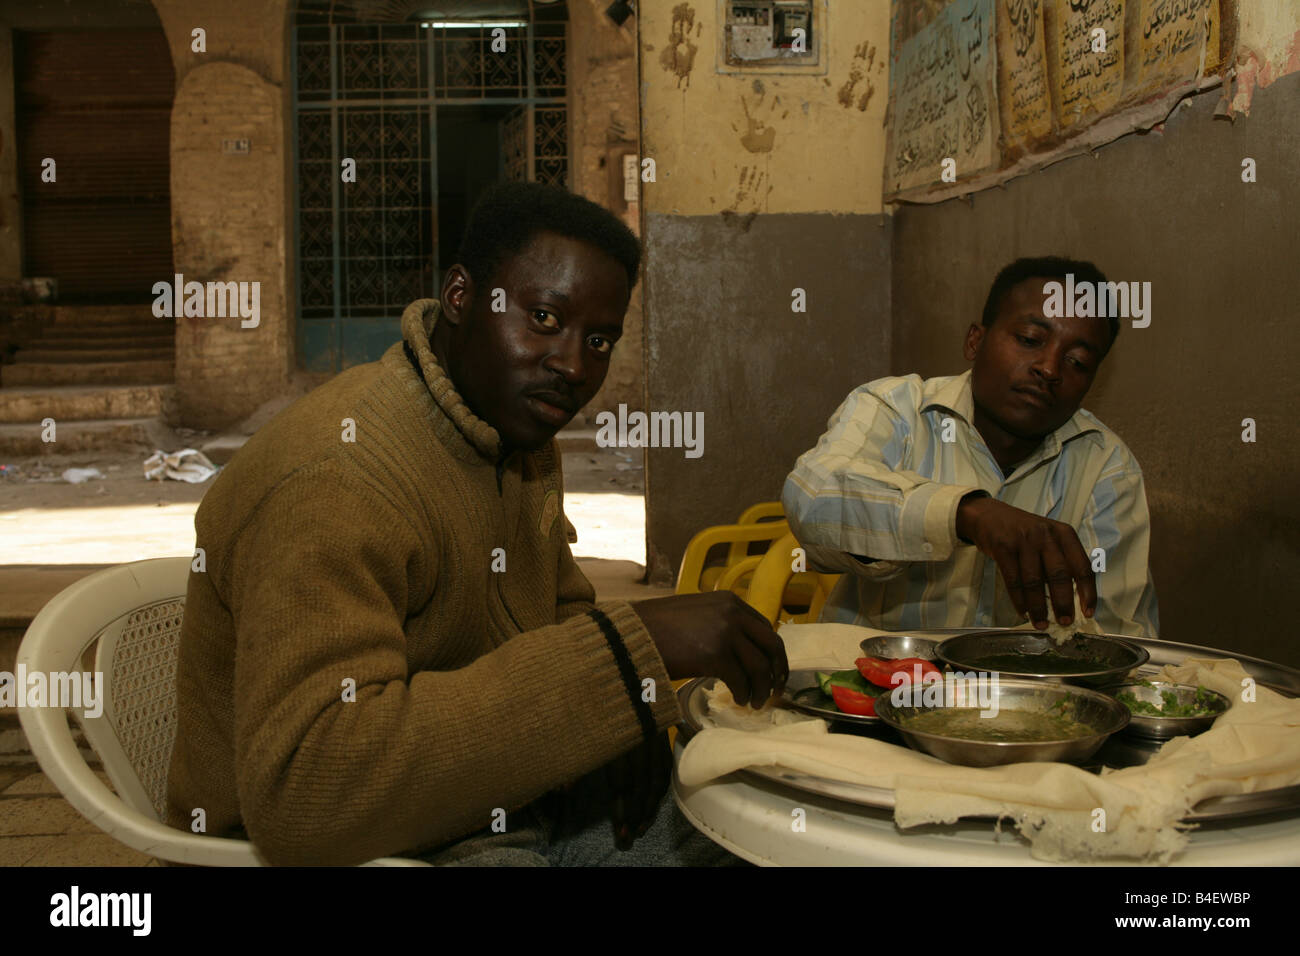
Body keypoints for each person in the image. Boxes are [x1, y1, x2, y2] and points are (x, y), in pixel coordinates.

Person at [166, 182, 788, 866]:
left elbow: (556, 613)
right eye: (545, 318)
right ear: (461, 297)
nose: (574, 367)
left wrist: (625, 713)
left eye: (600, 339)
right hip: (355, 844)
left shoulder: (511, 429)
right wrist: (629, 652)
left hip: (497, 800)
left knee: (755, 822)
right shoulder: (335, 477)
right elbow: (306, 795)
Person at [783, 256, 1158, 638]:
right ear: (975, 341)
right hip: (871, 681)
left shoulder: (1106, 465)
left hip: (1029, 693)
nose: (1049, 368)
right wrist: (965, 513)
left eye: (1077, 362)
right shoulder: (896, 409)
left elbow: (1117, 634)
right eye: (1030, 340)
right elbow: (814, 499)